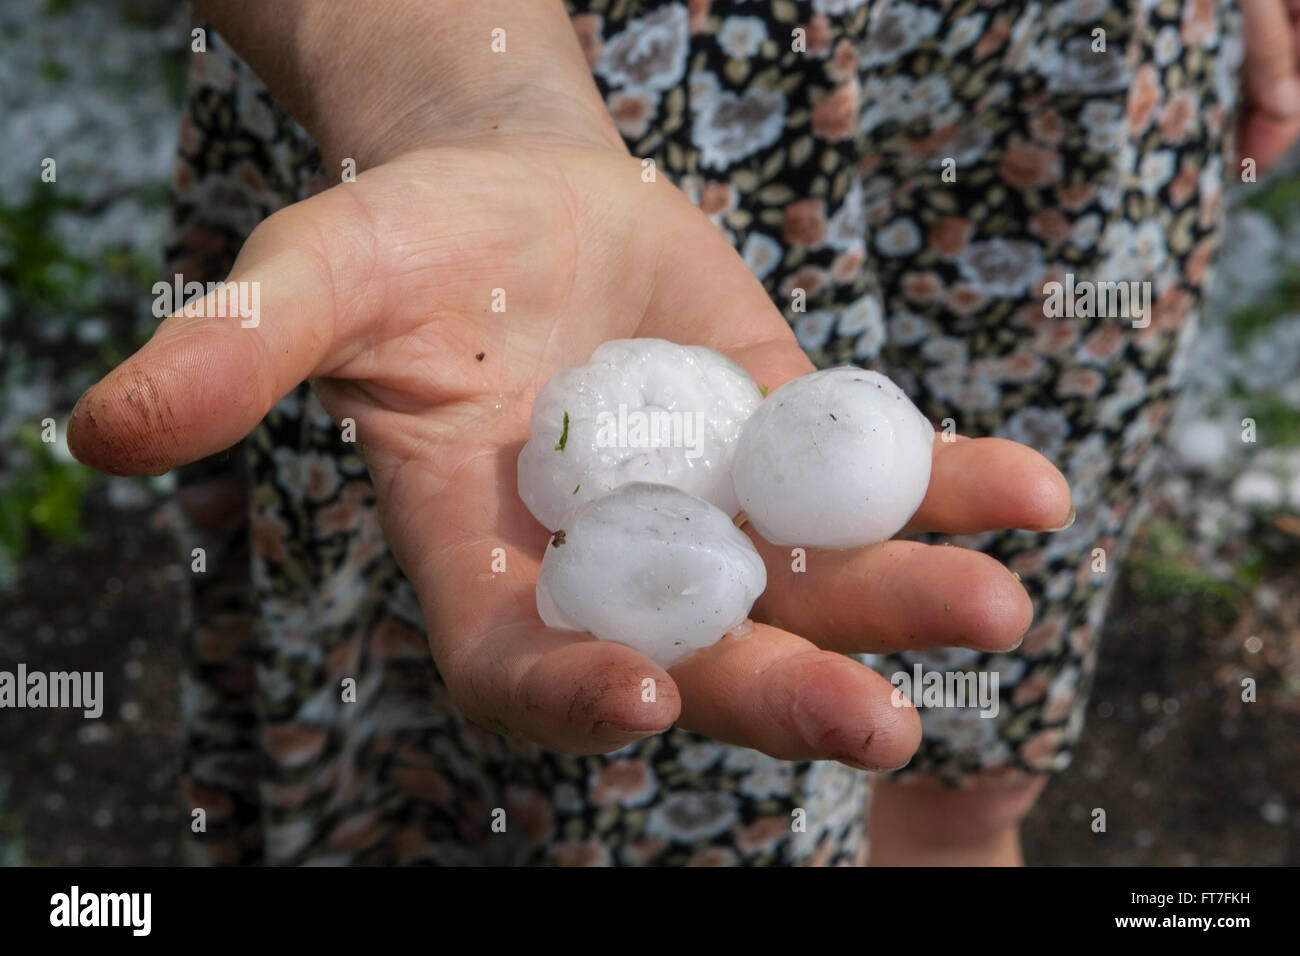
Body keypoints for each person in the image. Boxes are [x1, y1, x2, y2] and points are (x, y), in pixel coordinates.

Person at [68, 0, 1300, 866]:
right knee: (618, 807)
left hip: (1074, 92)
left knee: (964, 778)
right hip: (529, 77)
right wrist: (470, 100)